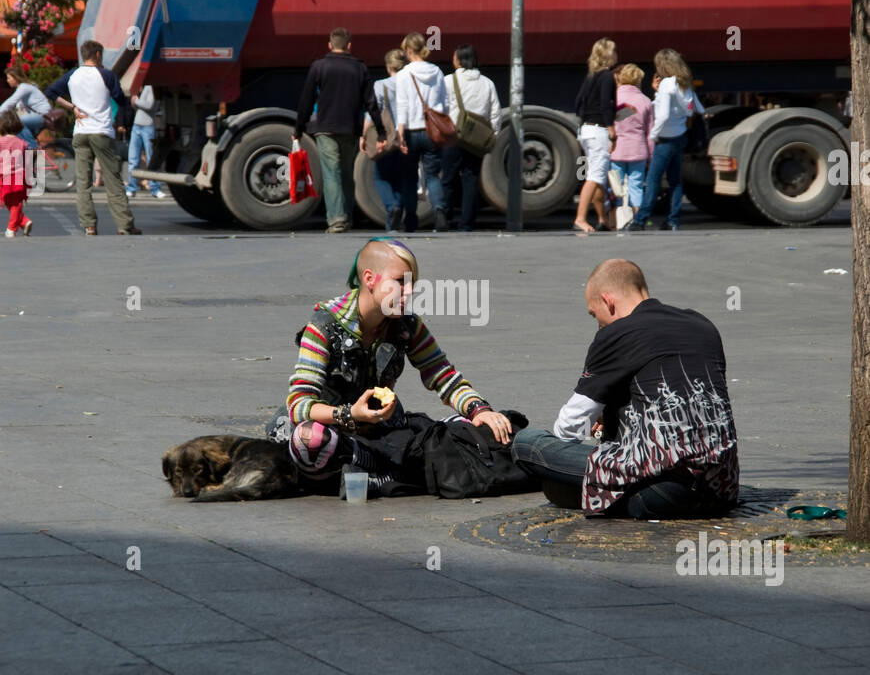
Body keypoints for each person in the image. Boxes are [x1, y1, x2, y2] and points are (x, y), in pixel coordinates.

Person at [266, 237, 532, 500]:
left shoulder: (407, 325)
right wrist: (349, 414)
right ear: (370, 279)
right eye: (400, 282)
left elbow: (443, 375)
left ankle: (368, 471)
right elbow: (299, 405)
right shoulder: (324, 325)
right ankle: (380, 470)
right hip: (330, 428)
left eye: (411, 284)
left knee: (458, 428)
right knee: (310, 438)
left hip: (382, 431)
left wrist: (479, 409)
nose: (408, 292)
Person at [511, 258, 739, 519]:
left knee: (528, 445)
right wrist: (611, 414)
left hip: (661, 491)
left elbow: (569, 426)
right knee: (565, 483)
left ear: (608, 301)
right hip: (722, 487)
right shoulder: (703, 325)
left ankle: (605, 497)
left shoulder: (617, 333)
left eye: (594, 314)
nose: (598, 324)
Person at [45, 40, 141, 235]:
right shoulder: (105, 75)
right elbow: (121, 100)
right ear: (97, 55)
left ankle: (89, 225)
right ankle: (124, 225)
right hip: (101, 131)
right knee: (113, 178)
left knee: (83, 181)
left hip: (80, 133)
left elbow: (51, 92)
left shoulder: (73, 75)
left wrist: (72, 107)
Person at [296, 27, 386, 233]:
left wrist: (299, 128)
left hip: (325, 128)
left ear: (330, 45)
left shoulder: (319, 66)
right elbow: (371, 103)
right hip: (351, 129)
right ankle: (348, 216)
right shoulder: (360, 68)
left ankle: (336, 220)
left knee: (331, 173)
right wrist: (380, 131)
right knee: (347, 173)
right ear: (349, 46)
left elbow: (306, 100)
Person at [627, 48, 704, 233]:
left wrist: (654, 135)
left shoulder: (667, 84)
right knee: (675, 180)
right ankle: (673, 220)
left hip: (665, 139)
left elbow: (662, 115)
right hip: (680, 137)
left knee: (652, 179)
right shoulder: (685, 84)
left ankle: (640, 220)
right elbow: (698, 109)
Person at [441, 44, 502, 232]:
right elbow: (496, 113)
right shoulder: (487, 83)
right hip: (477, 140)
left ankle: (446, 219)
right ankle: (467, 223)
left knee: (448, 179)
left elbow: (441, 108)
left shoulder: (449, 81)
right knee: (471, 180)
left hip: (454, 137)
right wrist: (492, 137)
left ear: (459, 60)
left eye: (454, 57)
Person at [394, 32, 450, 233]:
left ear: (409, 50)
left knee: (409, 177)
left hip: (410, 130)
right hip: (431, 132)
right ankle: (439, 211)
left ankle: (410, 219)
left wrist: (400, 134)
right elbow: (445, 103)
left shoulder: (403, 75)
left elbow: (402, 106)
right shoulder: (436, 72)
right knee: (433, 175)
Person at [574, 37, 617, 235]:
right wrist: (611, 128)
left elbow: (578, 103)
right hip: (599, 130)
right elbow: (606, 104)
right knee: (594, 177)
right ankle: (580, 218)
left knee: (598, 176)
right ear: (609, 54)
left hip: (585, 129)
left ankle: (602, 218)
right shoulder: (607, 76)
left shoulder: (590, 76)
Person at [362, 49, 406, 232]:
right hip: (406, 136)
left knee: (380, 177)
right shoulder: (409, 83)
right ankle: (394, 223)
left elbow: (373, 111)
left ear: (389, 66)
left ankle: (392, 207)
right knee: (400, 179)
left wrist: (363, 135)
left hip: (387, 137)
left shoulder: (381, 85)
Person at [609, 63, 654, 215]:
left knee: (616, 187)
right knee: (636, 186)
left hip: (616, 150)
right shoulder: (646, 101)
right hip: (638, 150)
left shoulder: (613, 99)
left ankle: (618, 217)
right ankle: (637, 219)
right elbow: (650, 133)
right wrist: (651, 155)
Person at [124, 85, 166, 199]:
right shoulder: (146, 87)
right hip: (138, 126)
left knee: (151, 159)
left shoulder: (151, 86)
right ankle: (132, 188)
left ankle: (155, 188)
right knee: (133, 159)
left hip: (148, 127)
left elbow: (148, 105)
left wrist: (136, 100)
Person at [0, 67, 51, 152]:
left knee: (19, 124)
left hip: (43, 116)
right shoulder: (23, 88)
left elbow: (10, 102)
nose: (7, 80)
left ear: (16, 77)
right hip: (38, 116)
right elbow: (20, 110)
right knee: (19, 130)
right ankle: (37, 162)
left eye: (9, 78)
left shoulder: (24, 87)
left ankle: (32, 148)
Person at [0, 108, 34, 237]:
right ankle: (24, 221)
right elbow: (27, 161)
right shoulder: (22, 143)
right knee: (14, 202)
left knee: (11, 202)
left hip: (5, 176)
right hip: (20, 176)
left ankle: (12, 228)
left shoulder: (1, 141)